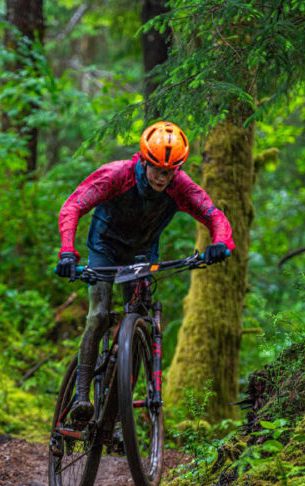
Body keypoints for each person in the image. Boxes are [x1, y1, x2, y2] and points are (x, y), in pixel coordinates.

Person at [55, 121, 236, 422]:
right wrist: (67, 251)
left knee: (139, 321)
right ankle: (82, 396)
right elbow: (73, 206)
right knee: (99, 314)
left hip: (141, 254)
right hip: (105, 248)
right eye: (157, 169)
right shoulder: (117, 175)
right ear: (145, 160)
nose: (164, 177)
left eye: (171, 170)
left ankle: (118, 408)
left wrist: (220, 242)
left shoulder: (180, 186)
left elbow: (214, 215)